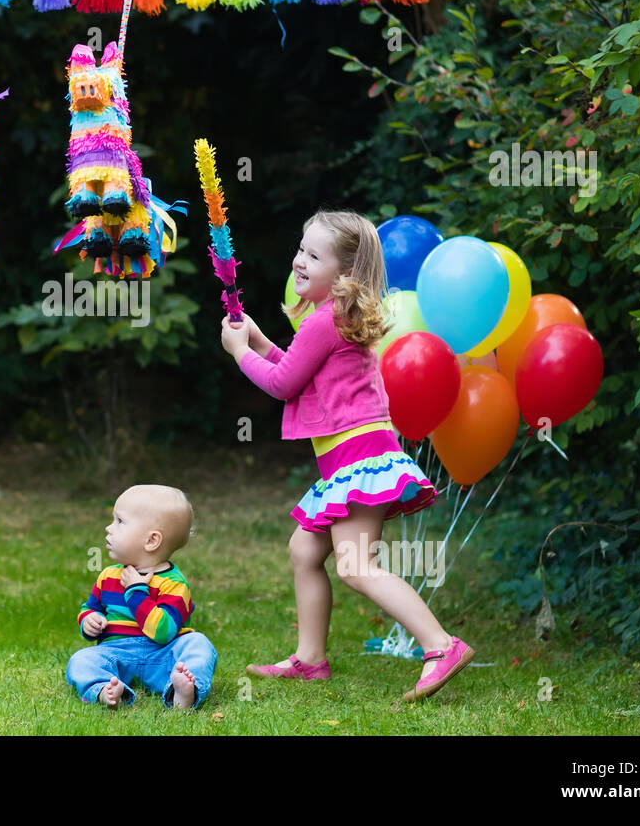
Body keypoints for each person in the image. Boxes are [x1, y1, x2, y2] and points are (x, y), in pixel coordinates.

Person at [220, 210, 474, 702]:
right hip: (352, 461)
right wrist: (256, 340)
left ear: (345, 275)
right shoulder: (332, 319)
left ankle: (441, 645)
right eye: (300, 249)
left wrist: (237, 352)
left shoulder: (323, 322)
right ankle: (310, 660)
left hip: (359, 462)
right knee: (304, 550)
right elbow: (297, 368)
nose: (299, 261)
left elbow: (281, 383)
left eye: (314, 256)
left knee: (356, 566)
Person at [65, 485, 217, 709]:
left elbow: (163, 632)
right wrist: (88, 620)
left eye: (120, 521)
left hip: (163, 658)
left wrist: (136, 592)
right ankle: (106, 689)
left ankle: (184, 690)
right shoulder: (108, 576)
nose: (109, 528)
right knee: (80, 660)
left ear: (151, 541)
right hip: (116, 655)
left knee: (199, 644)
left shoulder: (174, 584)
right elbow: (91, 607)